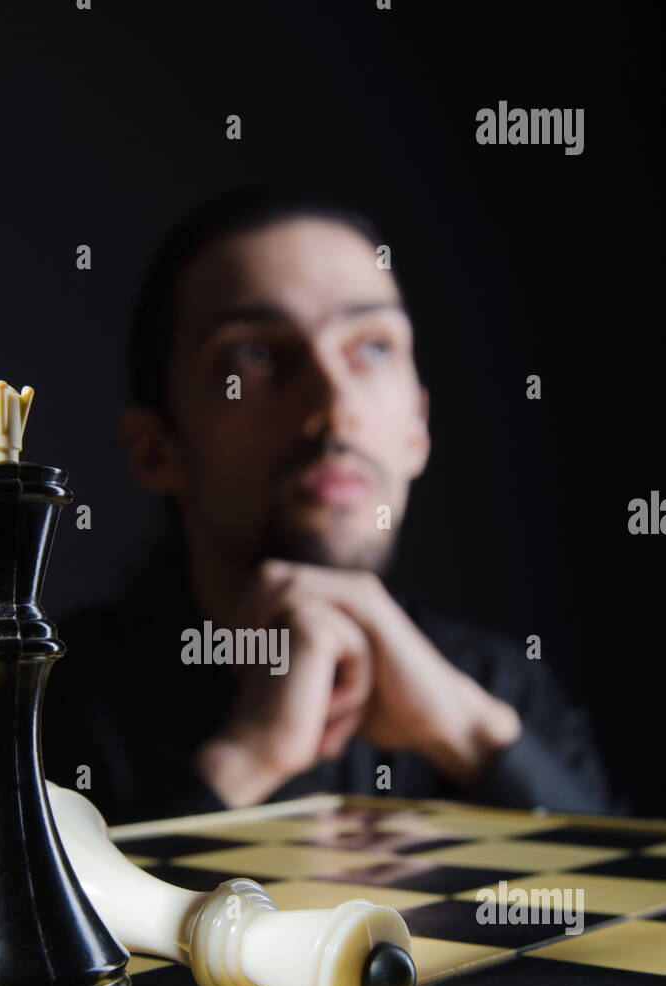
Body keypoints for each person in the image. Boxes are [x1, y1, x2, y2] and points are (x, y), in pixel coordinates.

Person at [41, 186, 619, 824]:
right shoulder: (43, 700)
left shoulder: (504, 690)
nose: (334, 407)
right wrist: (244, 758)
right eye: (258, 354)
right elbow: (18, 894)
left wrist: (474, 737)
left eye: (373, 347)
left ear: (418, 426)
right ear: (155, 449)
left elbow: (634, 889)